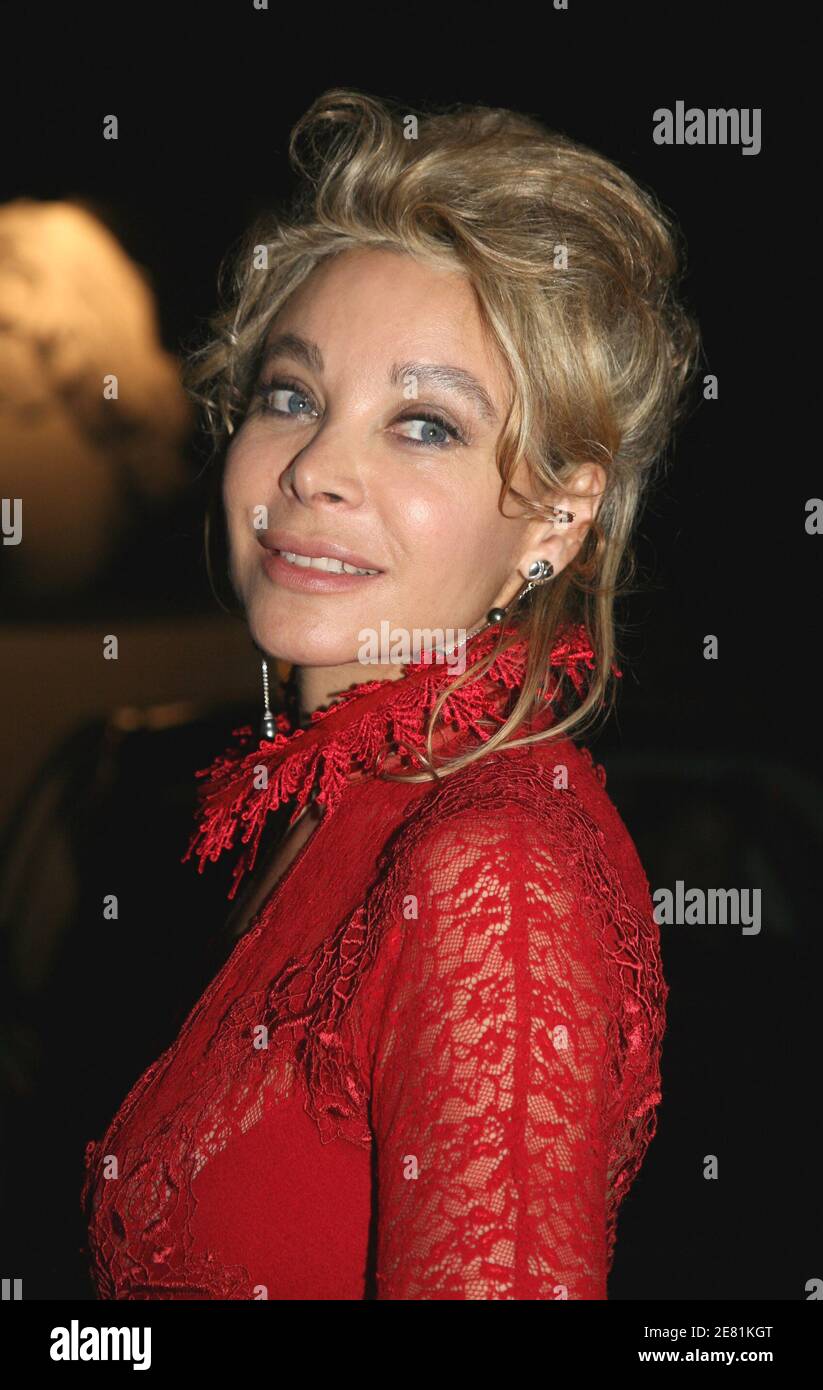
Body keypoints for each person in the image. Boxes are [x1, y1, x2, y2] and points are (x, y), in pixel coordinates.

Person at [80, 87, 699, 1300]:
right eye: (292, 395)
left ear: (559, 516)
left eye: (422, 424)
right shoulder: (327, 800)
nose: (313, 469)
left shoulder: (492, 872)